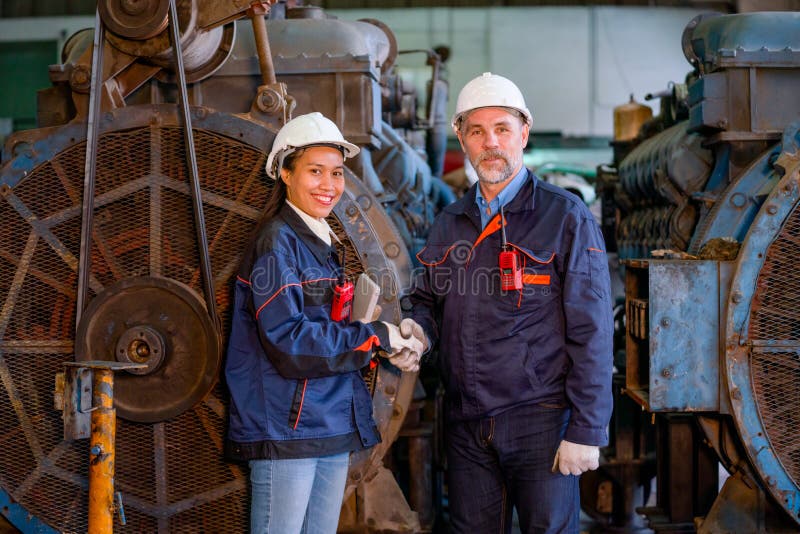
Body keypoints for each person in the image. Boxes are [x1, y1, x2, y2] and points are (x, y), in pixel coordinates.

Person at [408, 73, 613, 533]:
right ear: (460, 137)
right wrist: (417, 332)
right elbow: (426, 300)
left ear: (524, 132)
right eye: (477, 131)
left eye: (502, 128)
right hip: (466, 423)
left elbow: (593, 329)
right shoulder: (450, 221)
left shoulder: (564, 216)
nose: (491, 142)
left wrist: (587, 429)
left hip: (540, 420)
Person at [224, 112, 424, 534]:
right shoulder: (277, 244)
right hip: (288, 429)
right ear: (284, 173)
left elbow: (321, 326)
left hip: (328, 420)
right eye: (315, 172)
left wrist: (387, 341)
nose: (329, 185)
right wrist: (374, 337)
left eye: (336, 173)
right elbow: (290, 341)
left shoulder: (319, 241)